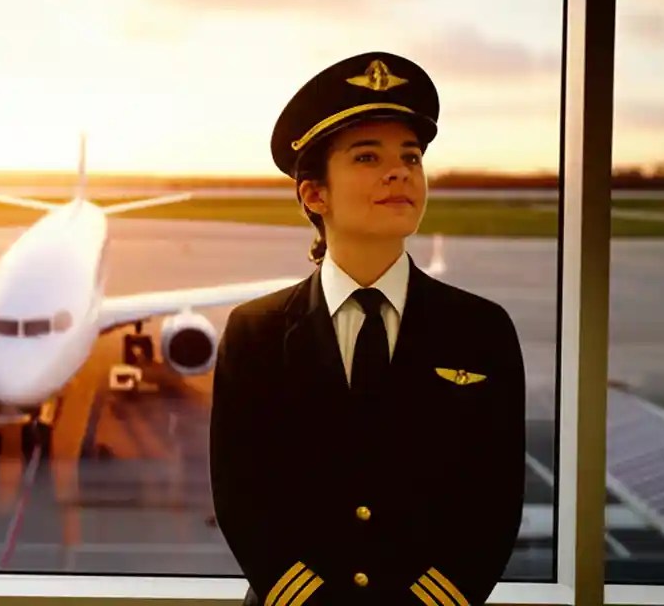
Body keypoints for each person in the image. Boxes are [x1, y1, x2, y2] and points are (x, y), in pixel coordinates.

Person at [209, 52, 526, 606]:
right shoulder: (253, 333)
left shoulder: (482, 330)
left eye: (411, 157)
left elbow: (494, 498)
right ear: (314, 194)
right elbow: (240, 493)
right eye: (366, 157)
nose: (399, 171)